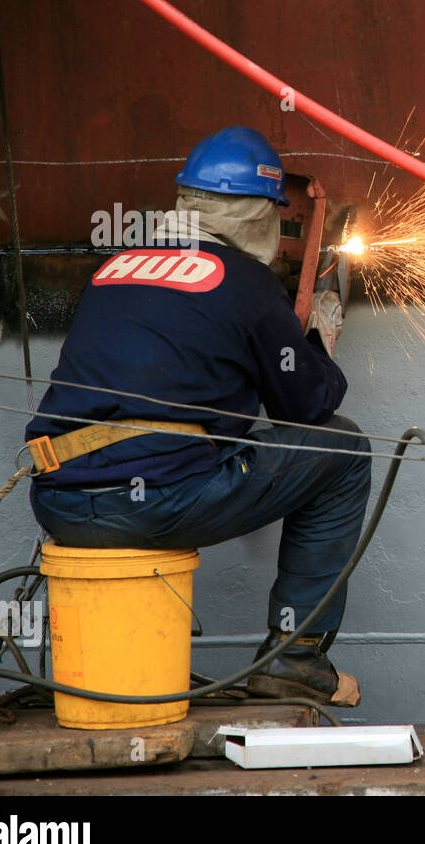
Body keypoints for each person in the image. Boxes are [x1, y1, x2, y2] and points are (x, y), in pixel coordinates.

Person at [24, 126, 370, 707]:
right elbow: (308, 409)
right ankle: (296, 656)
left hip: (57, 497)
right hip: (155, 503)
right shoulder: (251, 285)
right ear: (261, 214)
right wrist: (316, 342)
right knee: (346, 451)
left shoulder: (116, 267)